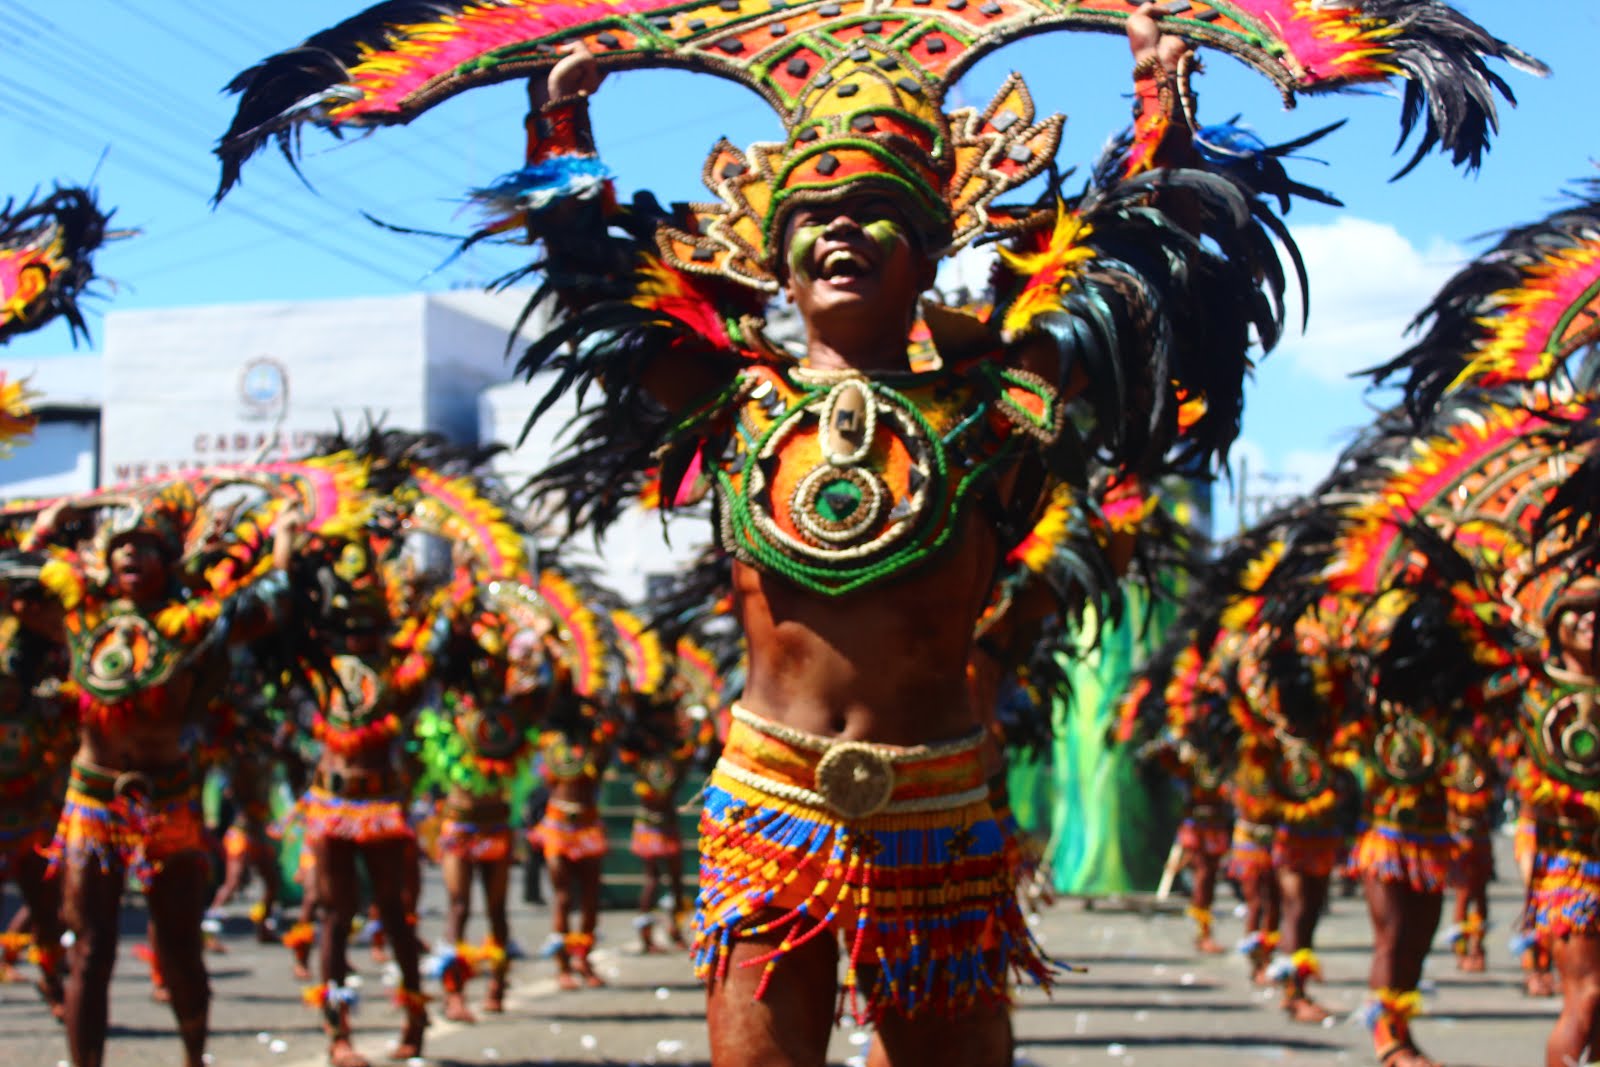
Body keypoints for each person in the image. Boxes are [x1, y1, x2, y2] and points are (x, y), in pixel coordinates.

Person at [510, 6, 1298, 1061]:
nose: (841, 230)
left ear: (928, 254)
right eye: (816, 214)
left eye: (875, 210)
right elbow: (600, 294)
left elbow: (1131, 261)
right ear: (778, 261)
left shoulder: (993, 404)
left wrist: (1156, 98)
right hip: (767, 806)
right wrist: (562, 121)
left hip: (936, 803)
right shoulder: (731, 404)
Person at [8, 490, 297, 1067]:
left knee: (181, 950)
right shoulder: (82, 618)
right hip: (92, 805)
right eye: (122, 547)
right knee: (90, 950)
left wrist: (284, 536)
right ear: (105, 562)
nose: (131, 555)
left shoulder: (190, 627)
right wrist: (43, 530)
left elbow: (270, 604)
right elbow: (13, 588)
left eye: (145, 547)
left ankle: (193, 1058)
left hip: (168, 806)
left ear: (168, 561)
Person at [291, 528, 465, 1067]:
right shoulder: (313, 665)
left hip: (384, 807)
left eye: (367, 617)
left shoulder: (398, 670)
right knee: (333, 916)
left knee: (394, 913)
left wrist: (459, 573)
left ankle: (415, 1020)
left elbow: (438, 631)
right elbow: (284, 607)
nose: (357, 629)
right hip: (330, 805)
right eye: (347, 617)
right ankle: (337, 1033)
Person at [1522, 576, 1600, 1067]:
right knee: (1589, 994)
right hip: (1574, 873)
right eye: (1580, 607)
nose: (1593, 618)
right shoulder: (1533, 690)